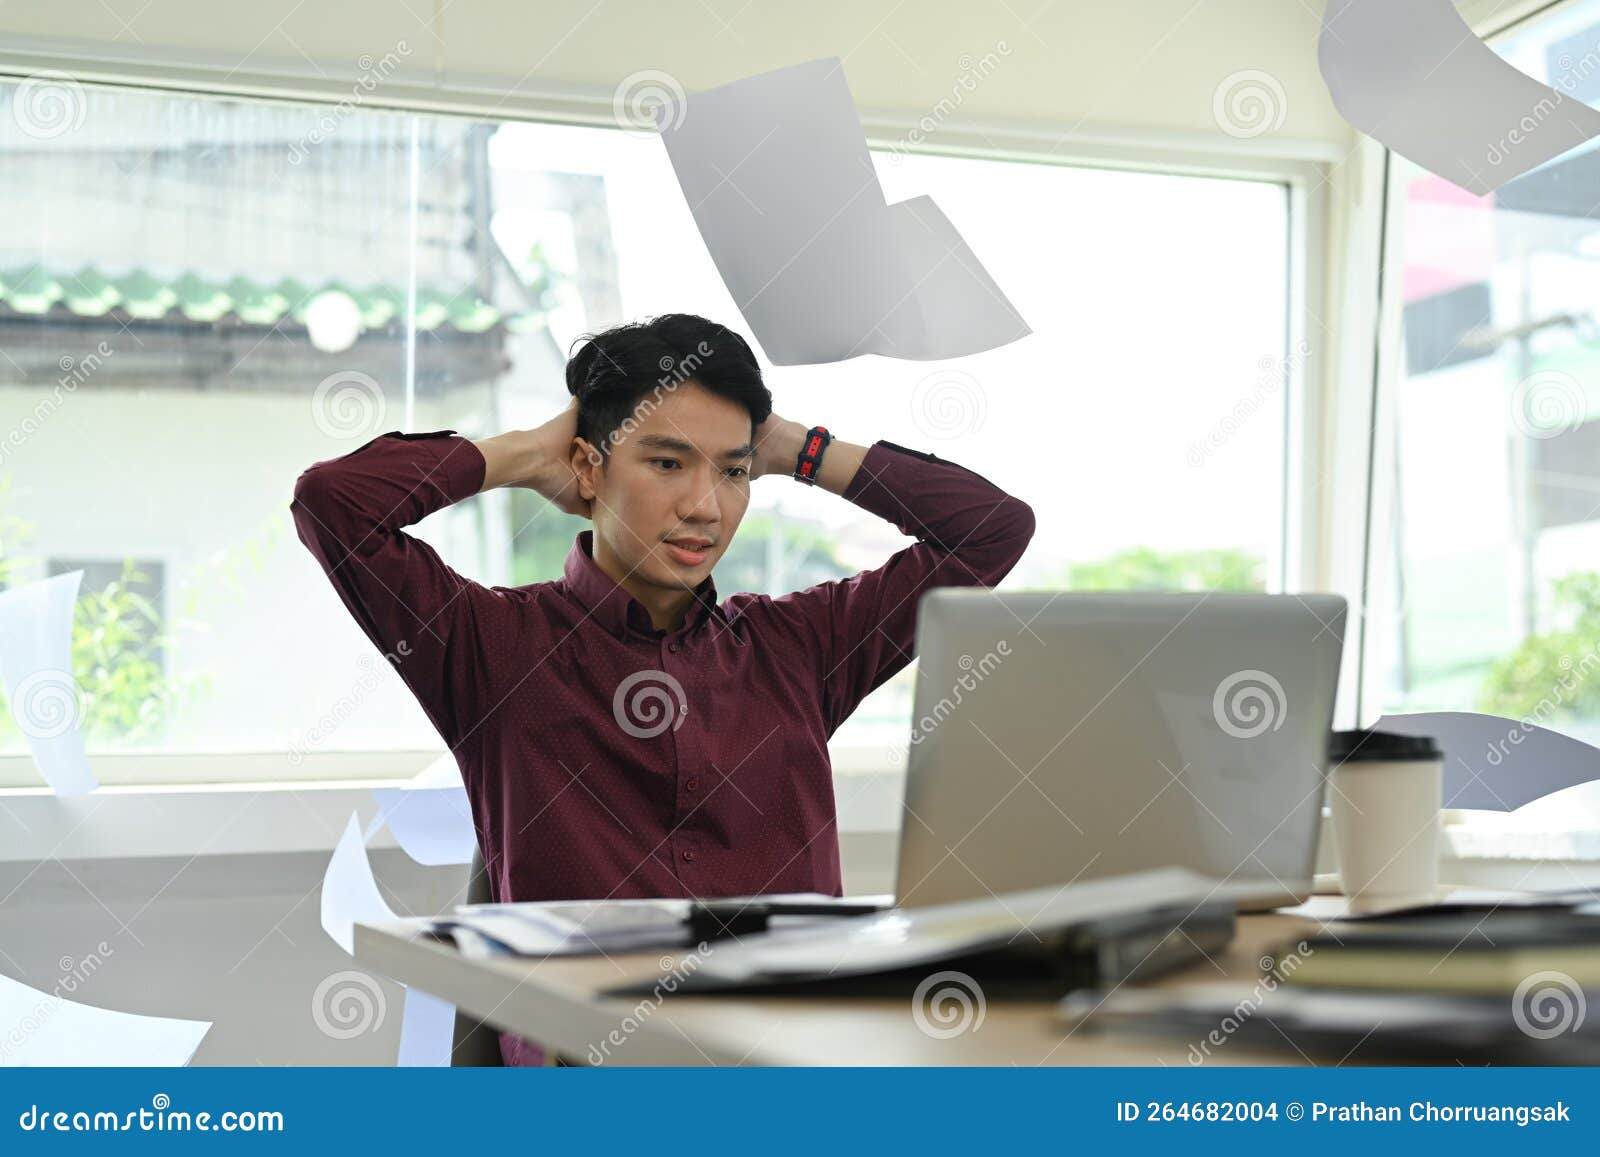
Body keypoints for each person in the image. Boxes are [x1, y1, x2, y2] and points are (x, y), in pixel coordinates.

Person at [290, 312, 1035, 1064]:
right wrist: (523, 453)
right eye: (668, 463)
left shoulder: (801, 649)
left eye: (733, 471)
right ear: (587, 467)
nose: (705, 506)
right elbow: (335, 504)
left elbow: (992, 530)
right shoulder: (492, 647)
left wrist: (797, 448)